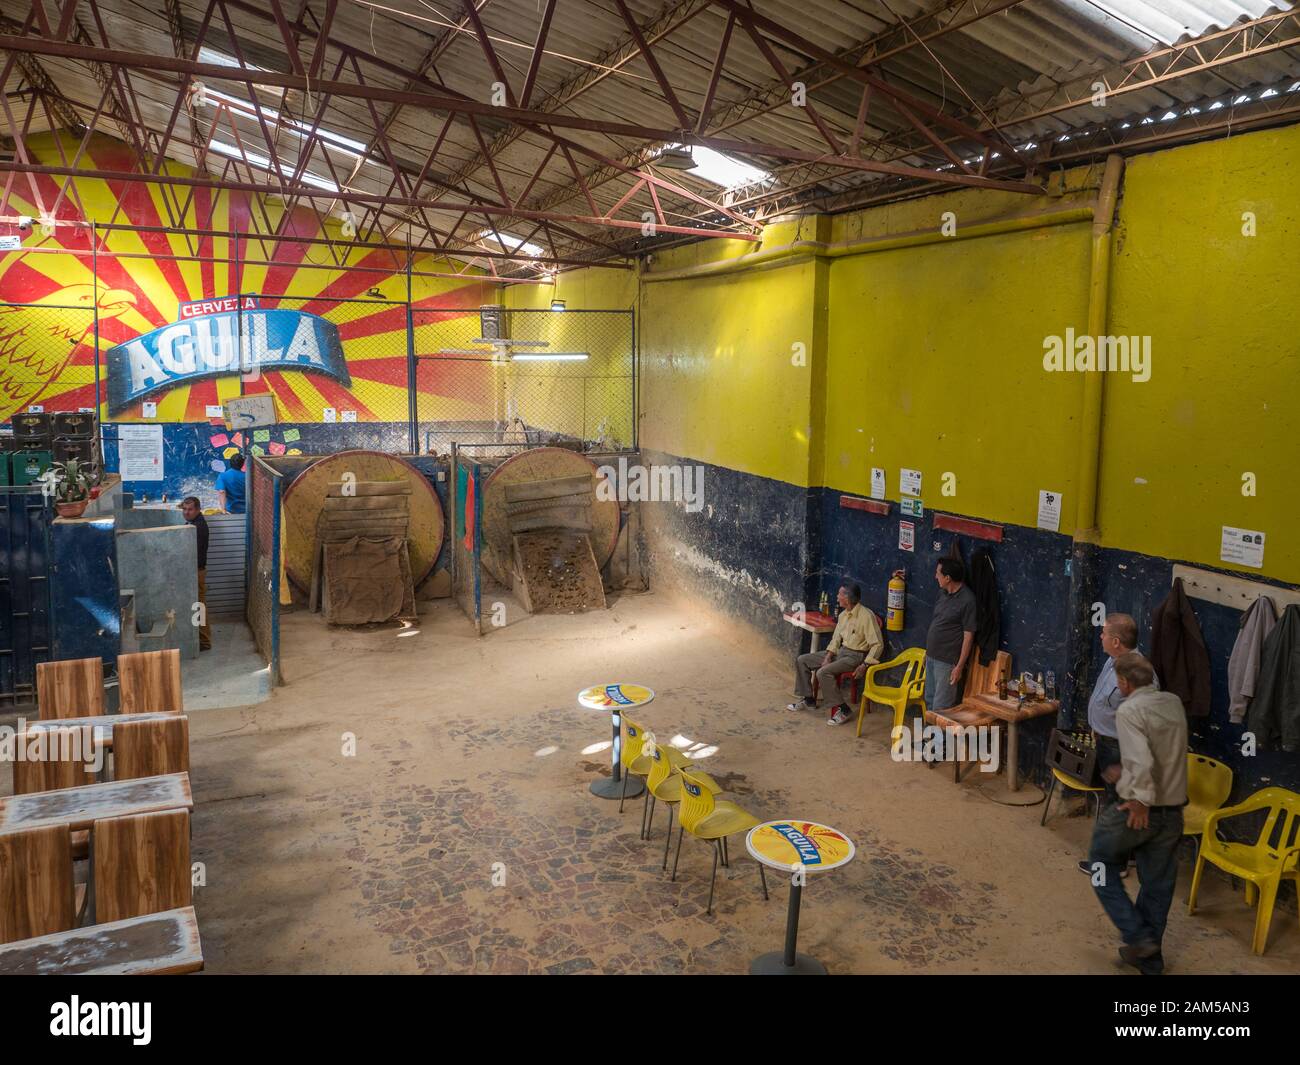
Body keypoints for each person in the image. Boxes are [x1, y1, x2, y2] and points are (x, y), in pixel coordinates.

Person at [1087, 652, 1187, 975]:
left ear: (1124, 683)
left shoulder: (1129, 710)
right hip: (1173, 812)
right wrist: (1124, 769)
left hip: (1137, 811)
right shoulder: (1173, 703)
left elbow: (1143, 762)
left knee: (1100, 864)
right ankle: (1150, 961)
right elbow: (1157, 752)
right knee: (1157, 886)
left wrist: (1141, 798)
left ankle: (1137, 935)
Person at [1078, 612, 1158, 874]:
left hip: (1120, 748)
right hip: (1106, 741)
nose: (1099, 636)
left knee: (1117, 805)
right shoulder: (1114, 661)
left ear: (1115, 641)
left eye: (1103, 633)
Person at [787, 584, 884, 726]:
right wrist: (828, 656)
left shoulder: (866, 616)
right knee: (802, 660)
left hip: (855, 656)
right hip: (840, 652)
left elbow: (878, 644)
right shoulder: (844, 615)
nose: (837, 597)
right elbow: (836, 639)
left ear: (848, 598)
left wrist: (865, 664)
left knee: (822, 672)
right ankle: (808, 699)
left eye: (840, 594)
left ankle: (843, 709)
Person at [924, 559, 977, 712]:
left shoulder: (968, 600)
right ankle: (930, 736)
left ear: (948, 578)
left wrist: (959, 666)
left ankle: (940, 737)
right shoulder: (942, 593)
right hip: (931, 657)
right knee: (929, 700)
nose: (935, 577)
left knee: (941, 706)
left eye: (938, 573)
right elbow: (936, 621)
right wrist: (927, 653)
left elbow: (968, 636)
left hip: (947, 662)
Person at [180, 496, 212, 652]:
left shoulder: (197, 528)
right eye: (184, 509)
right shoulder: (194, 523)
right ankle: (201, 638)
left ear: (198, 510)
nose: (186, 512)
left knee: (199, 606)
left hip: (196, 572)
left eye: (190, 509)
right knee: (198, 606)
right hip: (195, 571)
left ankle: (204, 641)